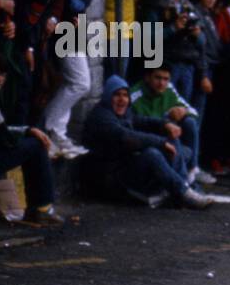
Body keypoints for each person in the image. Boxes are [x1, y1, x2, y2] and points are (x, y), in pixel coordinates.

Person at [12, 0, 90, 158]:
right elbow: (26, 11)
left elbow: (52, 10)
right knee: (25, 91)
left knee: (37, 89)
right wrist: (28, 46)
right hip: (24, 38)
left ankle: (42, 139)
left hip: (41, 38)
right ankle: (29, 143)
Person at [82, 75, 212, 208]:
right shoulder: (102, 117)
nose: (122, 100)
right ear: (108, 96)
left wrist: (165, 124)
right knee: (152, 154)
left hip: (126, 169)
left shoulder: (124, 113)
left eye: (125, 95)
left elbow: (142, 120)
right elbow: (127, 136)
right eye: (117, 95)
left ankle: (184, 186)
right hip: (110, 178)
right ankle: (182, 192)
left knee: (171, 138)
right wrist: (161, 143)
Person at [0, 50, 61, 226]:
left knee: (33, 143)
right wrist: (28, 134)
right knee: (35, 147)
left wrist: (28, 130)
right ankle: (41, 207)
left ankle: (40, 207)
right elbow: (1, 138)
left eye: (2, 74)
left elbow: (1, 130)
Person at [129, 64, 211, 187]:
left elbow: (194, 112)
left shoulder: (169, 89)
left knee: (189, 123)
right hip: (147, 147)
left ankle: (192, 172)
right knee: (173, 139)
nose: (162, 83)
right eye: (158, 78)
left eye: (166, 79)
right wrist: (166, 121)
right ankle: (183, 185)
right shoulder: (134, 95)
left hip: (167, 144)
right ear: (147, 78)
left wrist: (182, 111)